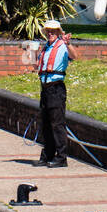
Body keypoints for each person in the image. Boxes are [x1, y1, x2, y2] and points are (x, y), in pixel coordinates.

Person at [37, 19, 70, 168]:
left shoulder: (62, 45)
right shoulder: (47, 47)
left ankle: (61, 157)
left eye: (53, 31)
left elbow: (75, 56)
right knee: (45, 123)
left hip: (56, 88)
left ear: (58, 32)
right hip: (45, 88)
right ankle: (47, 155)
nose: (50, 33)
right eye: (48, 31)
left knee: (57, 123)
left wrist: (69, 44)